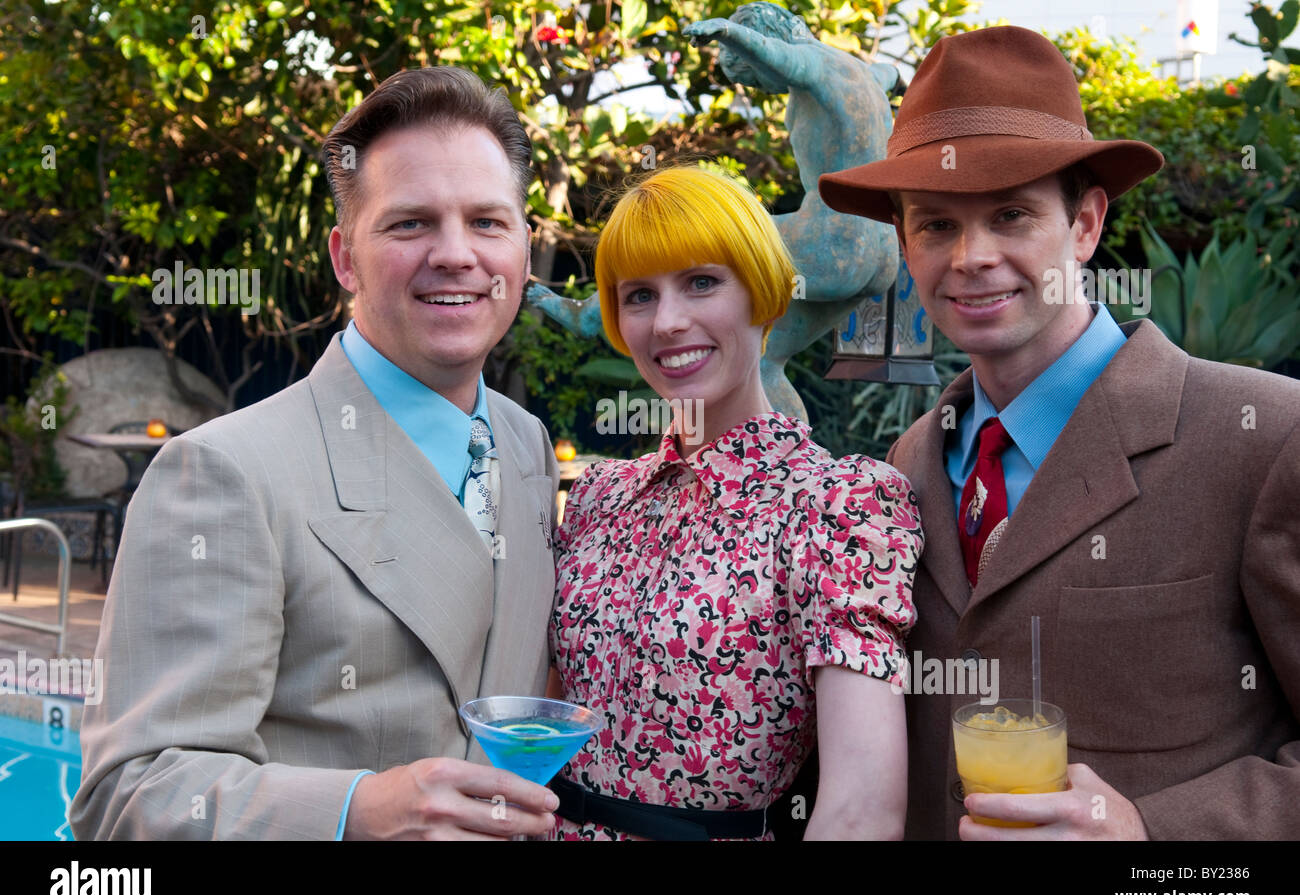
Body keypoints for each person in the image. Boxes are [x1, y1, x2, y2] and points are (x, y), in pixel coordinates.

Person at [819, 25, 1300, 840]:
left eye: (1011, 215)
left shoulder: (1264, 438)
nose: (972, 257)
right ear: (904, 242)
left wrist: (1150, 833)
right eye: (936, 224)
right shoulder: (905, 467)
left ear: (1084, 225)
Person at [71, 67, 563, 840]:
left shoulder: (526, 443)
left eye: (488, 222)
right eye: (409, 224)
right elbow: (129, 794)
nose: (456, 254)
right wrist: (356, 810)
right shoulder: (225, 473)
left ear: (524, 249)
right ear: (344, 258)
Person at [547, 165, 923, 840]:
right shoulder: (598, 498)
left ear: (763, 293)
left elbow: (861, 809)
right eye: (638, 295)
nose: (667, 321)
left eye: (701, 282)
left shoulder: (836, 506)